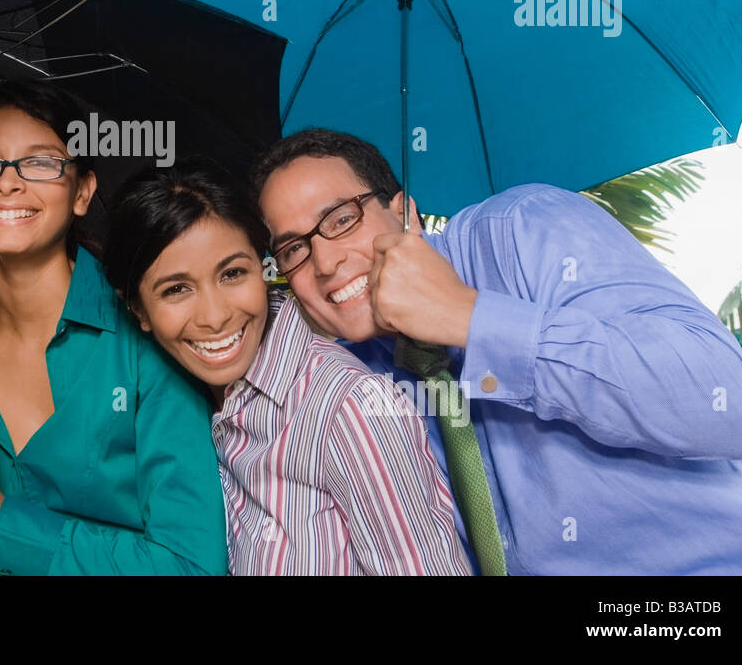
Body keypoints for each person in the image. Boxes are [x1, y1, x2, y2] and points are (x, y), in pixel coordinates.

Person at [252, 128, 742, 575]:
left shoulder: (521, 230)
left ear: (403, 212)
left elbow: (724, 406)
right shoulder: (350, 383)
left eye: (341, 218)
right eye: (294, 248)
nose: (323, 261)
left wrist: (467, 318)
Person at [0, 80, 227, 575]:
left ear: (82, 191)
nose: (8, 182)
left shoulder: (146, 332)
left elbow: (190, 564)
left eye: (40, 162)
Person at [104, 162, 472, 575]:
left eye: (232, 273)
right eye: (176, 289)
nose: (214, 316)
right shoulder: (172, 404)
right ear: (138, 309)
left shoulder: (348, 408)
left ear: (264, 270)